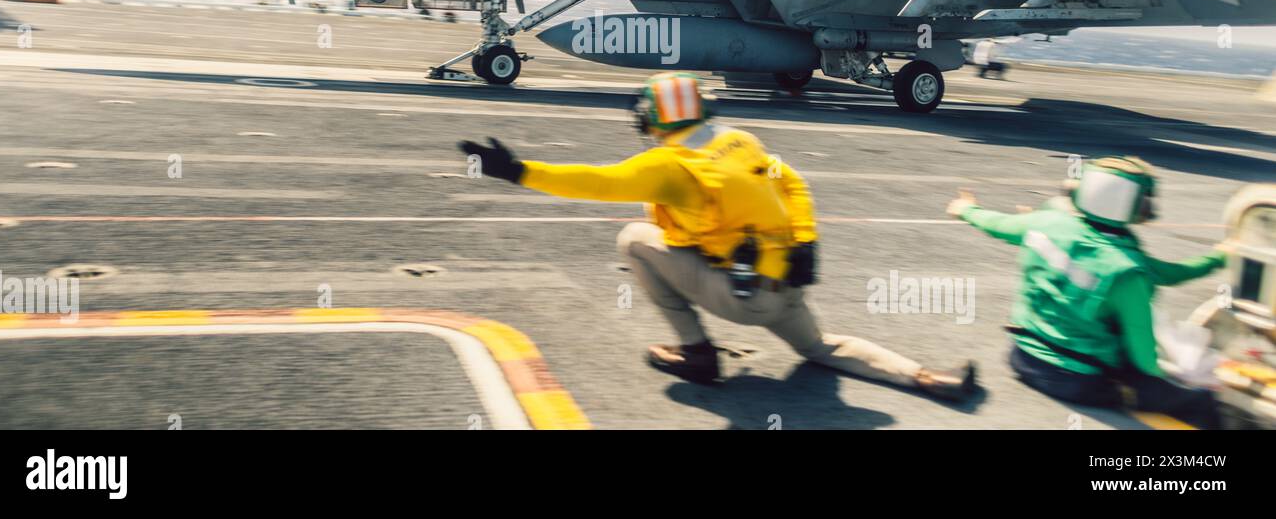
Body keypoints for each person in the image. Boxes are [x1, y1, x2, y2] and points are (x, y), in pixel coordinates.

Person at [460, 71, 975, 400]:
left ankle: (697, 354)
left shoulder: (669, 162)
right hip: (787, 285)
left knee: (634, 239)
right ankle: (926, 376)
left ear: (654, 118)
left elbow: (598, 182)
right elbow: (792, 182)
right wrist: (806, 242)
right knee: (821, 347)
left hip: (738, 295)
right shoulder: (740, 139)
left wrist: (518, 171)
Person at [946, 156, 1227, 428]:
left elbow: (996, 224)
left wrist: (966, 208)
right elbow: (1145, 360)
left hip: (1021, 357)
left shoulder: (1046, 222)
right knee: (1204, 403)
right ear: (1137, 204)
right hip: (1080, 382)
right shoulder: (1127, 273)